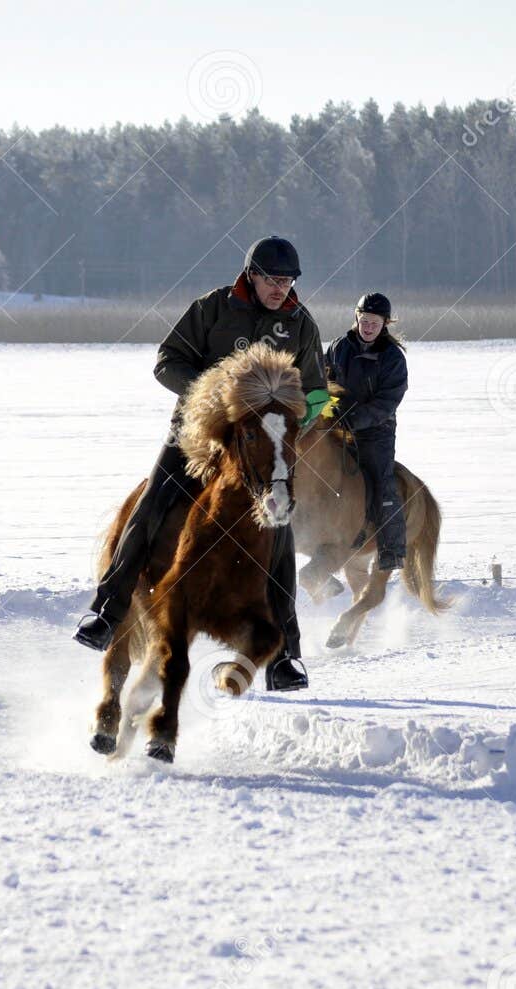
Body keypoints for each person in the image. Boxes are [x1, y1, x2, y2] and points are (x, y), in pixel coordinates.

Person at [73, 236, 331, 692]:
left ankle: (286, 657)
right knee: (150, 505)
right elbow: (166, 362)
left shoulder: (300, 324)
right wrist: (209, 394)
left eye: (288, 280)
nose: (280, 288)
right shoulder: (212, 308)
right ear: (251, 274)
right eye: (273, 279)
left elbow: (315, 393)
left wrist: (291, 420)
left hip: (256, 450)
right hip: (194, 434)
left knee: (281, 535)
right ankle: (107, 612)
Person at [324, 292, 409, 570]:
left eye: (375, 322)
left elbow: (387, 401)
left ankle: (391, 549)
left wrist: (356, 419)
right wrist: (327, 412)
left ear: (385, 324)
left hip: (376, 432)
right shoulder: (338, 347)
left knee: (381, 482)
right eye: (364, 320)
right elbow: (322, 381)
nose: (368, 326)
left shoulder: (393, 358)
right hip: (339, 426)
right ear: (356, 318)